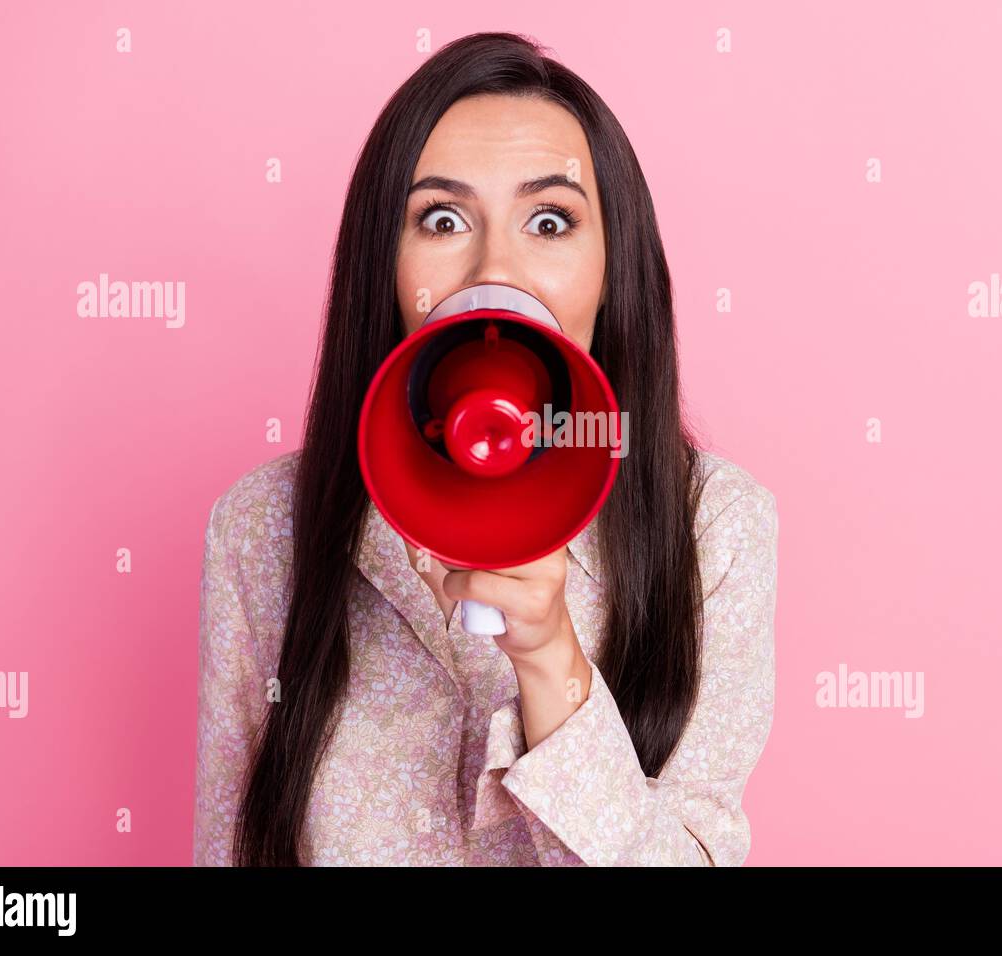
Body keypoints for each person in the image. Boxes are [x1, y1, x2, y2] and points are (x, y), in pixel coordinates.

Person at [194, 31, 778, 866]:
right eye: (441, 218)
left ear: (615, 264)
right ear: (381, 264)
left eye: (549, 220)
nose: (493, 268)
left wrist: (551, 665)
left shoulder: (714, 527)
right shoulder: (261, 531)